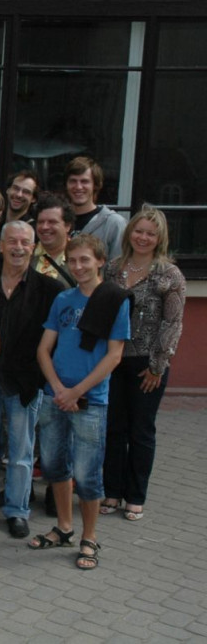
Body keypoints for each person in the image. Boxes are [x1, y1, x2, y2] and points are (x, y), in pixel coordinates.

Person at [32, 235, 130, 570]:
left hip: (91, 399)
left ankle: (89, 537)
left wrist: (77, 392)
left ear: (100, 261)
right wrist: (58, 387)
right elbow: (44, 349)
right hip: (54, 395)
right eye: (73, 261)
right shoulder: (63, 299)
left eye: (85, 260)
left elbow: (113, 356)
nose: (78, 267)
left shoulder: (114, 300)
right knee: (55, 465)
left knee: (88, 475)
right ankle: (64, 527)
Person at [0, 221, 64, 539]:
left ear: (33, 248)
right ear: (2, 246)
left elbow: (55, 340)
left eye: (25, 242)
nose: (19, 247)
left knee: (21, 451)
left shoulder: (49, 289)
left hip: (25, 382)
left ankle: (17, 511)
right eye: (13, 241)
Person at [102, 206, 184, 523]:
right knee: (114, 429)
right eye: (139, 231)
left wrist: (157, 366)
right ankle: (112, 490)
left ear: (159, 238)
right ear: (129, 233)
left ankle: (135, 496)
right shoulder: (112, 269)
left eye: (151, 233)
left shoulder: (169, 275)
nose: (143, 237)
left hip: (146, 365)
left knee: (141, 431)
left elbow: (172, 323)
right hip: (113, 360)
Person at [65, 156, 126, 260]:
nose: (78, 187)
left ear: (96, 185)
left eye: (84, 181)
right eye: (73, 181)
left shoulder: (113, 224)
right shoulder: (56, 221)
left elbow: (118, 268)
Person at [33, 193, 76, 287]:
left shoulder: (79, 257)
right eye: (40, 222)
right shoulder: (26, 255)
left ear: (67, 226)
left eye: (52, 222)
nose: (44, 227)